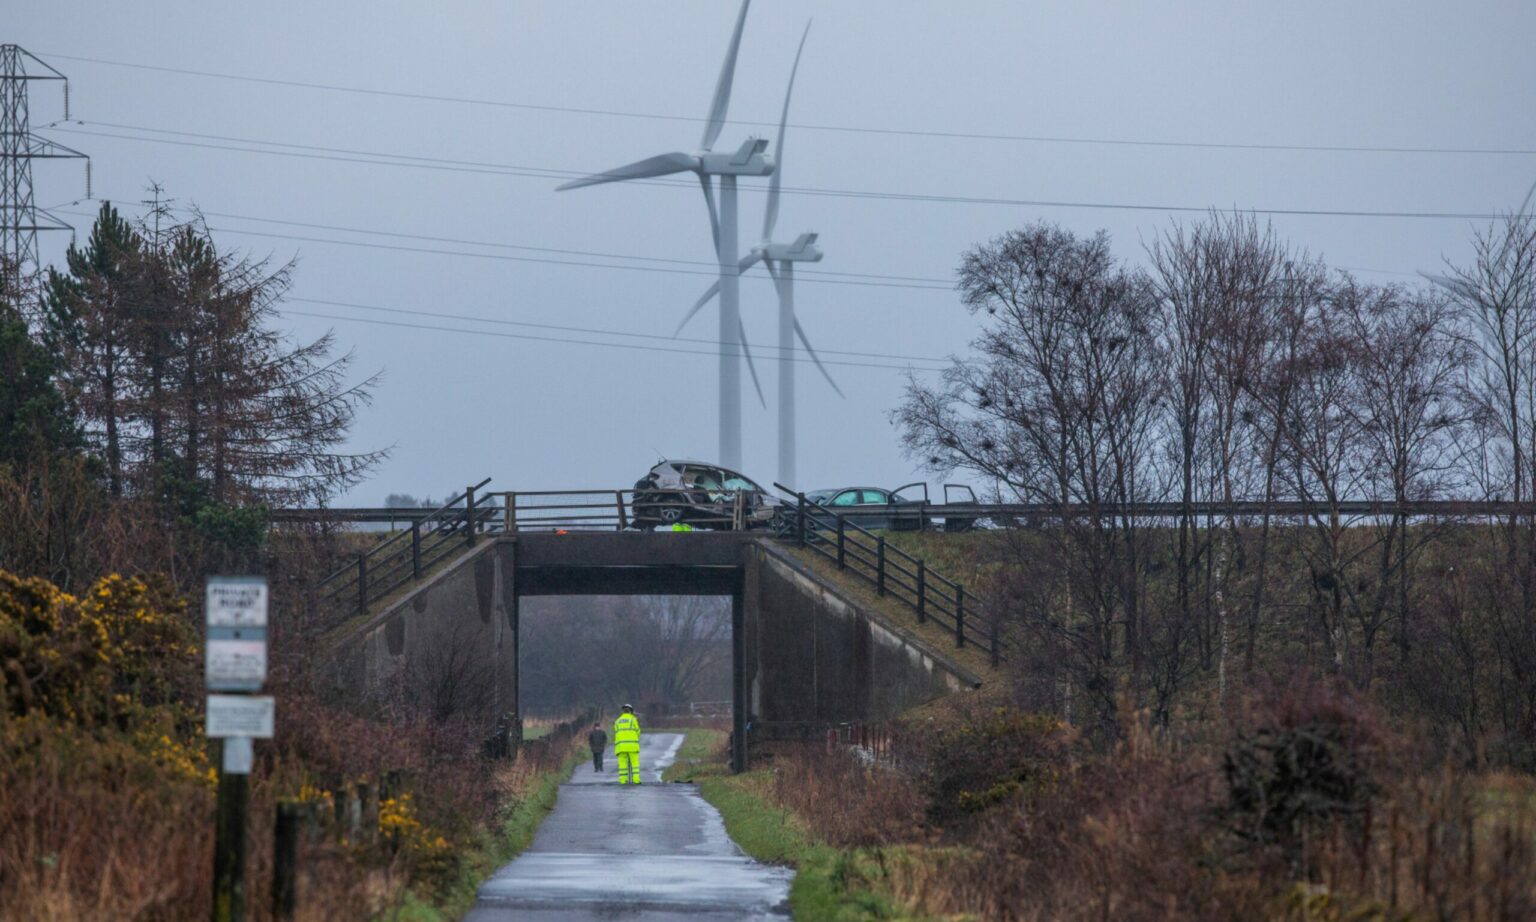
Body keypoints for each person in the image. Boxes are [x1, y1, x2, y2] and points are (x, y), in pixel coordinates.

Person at [612, 704, 642, 785]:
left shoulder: (617, 721)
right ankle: (636, 780)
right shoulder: (633, 720)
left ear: (623, 711)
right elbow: (638, 732)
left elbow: (616, 732)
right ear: (631, 711)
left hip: (621, 747)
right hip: (632, 746)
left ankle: (623, 781)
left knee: (622, 765)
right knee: (635, 764)